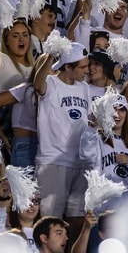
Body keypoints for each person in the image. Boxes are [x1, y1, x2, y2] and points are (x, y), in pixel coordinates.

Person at [33, 42, 91, 238]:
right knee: (51, 222)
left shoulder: (85, 88)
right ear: (67, 66)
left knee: (76, 220)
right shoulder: (51, 83)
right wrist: (50, 54)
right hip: (53, 162)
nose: (87, 71)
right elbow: (38, 85)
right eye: (82, 67)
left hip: (80, 162)